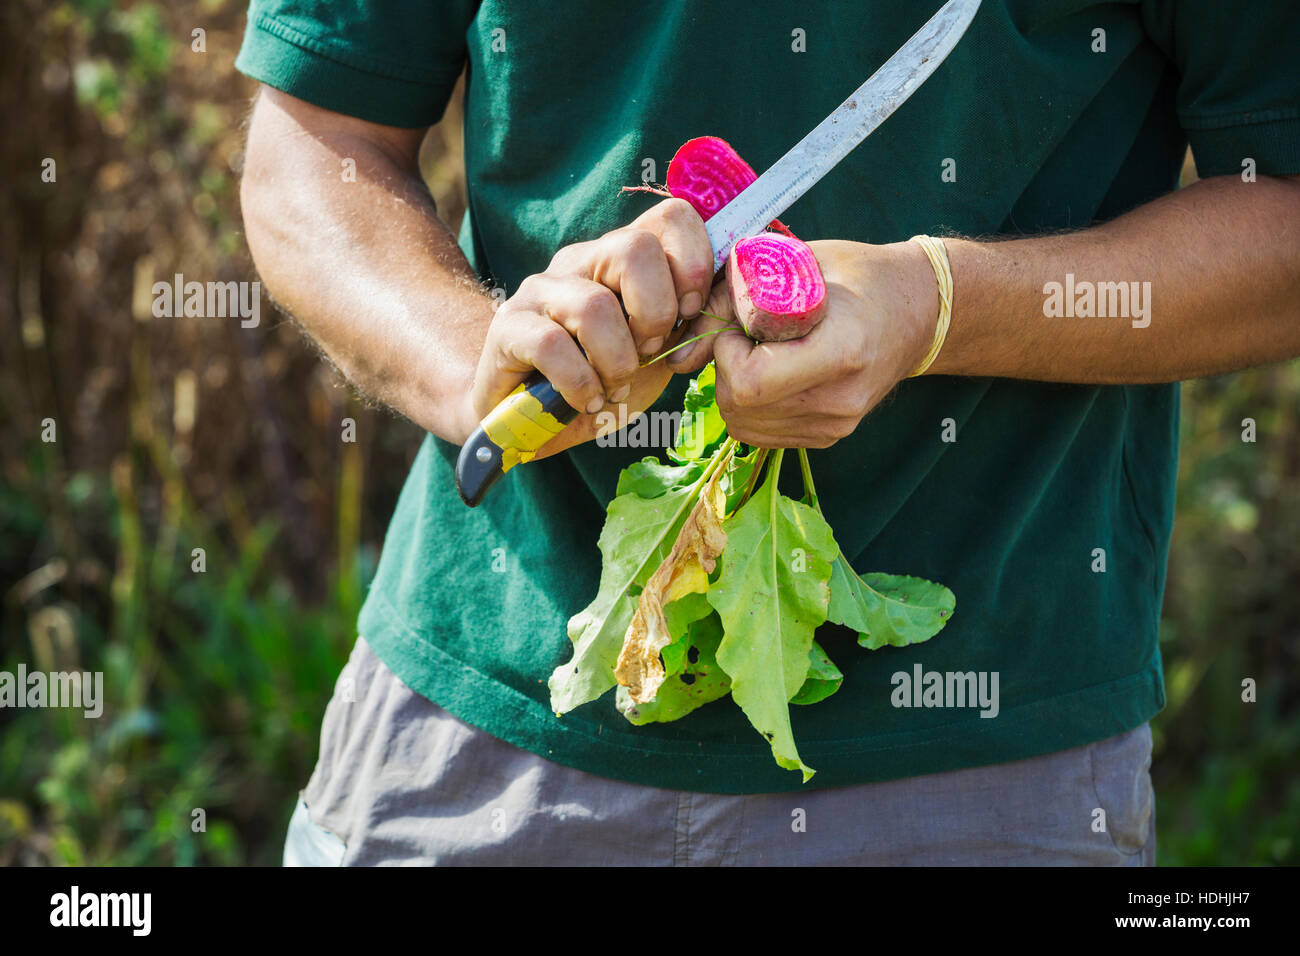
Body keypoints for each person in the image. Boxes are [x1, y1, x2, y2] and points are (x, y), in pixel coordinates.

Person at [236, 0, 1300, 865]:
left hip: (980, 768)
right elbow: (314, 147)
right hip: (481, 727)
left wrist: (936, 305)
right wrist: (476, 362)